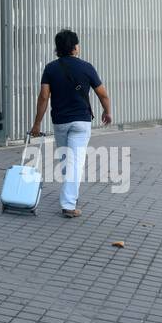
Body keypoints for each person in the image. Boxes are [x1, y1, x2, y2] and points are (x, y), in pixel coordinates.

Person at [29, 28, 112, 218]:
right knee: (74, 162)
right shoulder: (87, 67)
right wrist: (107, 112)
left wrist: (37, 124)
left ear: (57, 48)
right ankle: (68, 204)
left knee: (68, 160)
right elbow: (103, 94)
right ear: (75, 47)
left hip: (60, 122)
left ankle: (70, 194)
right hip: (81, 122)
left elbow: (43, 97)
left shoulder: (50, 68)